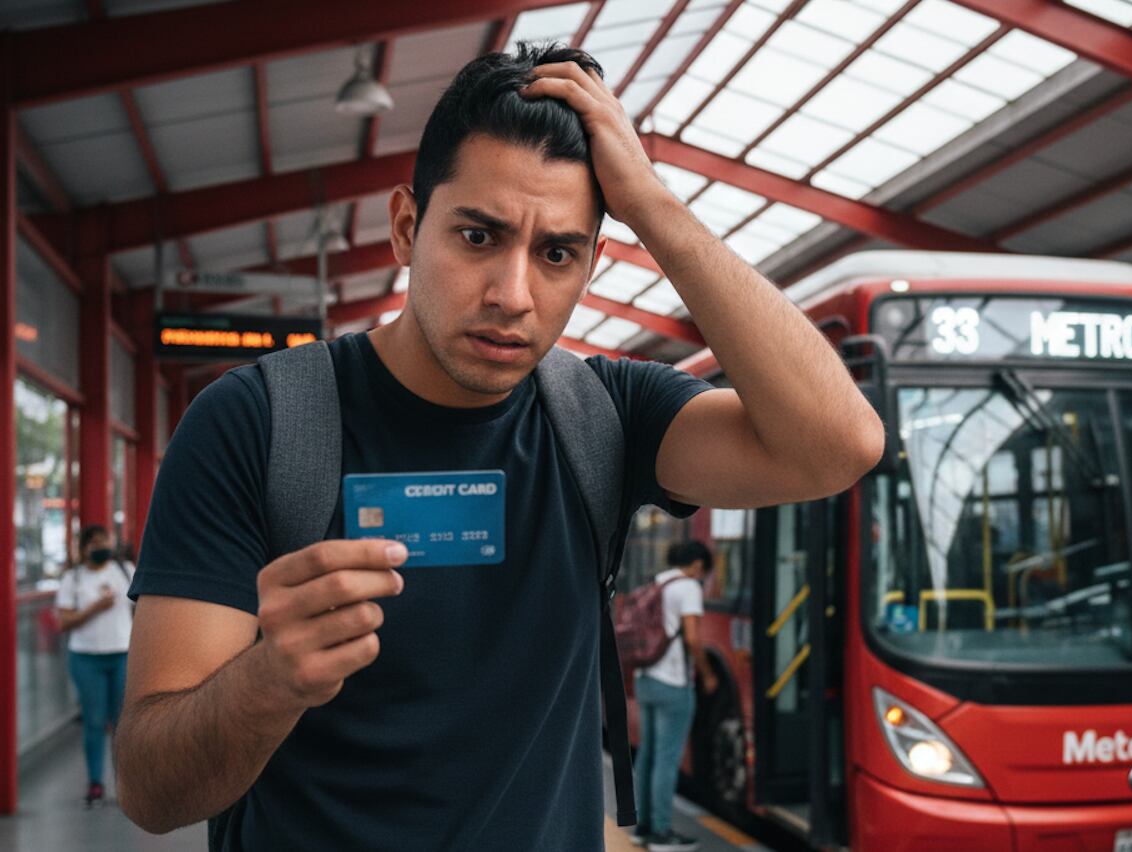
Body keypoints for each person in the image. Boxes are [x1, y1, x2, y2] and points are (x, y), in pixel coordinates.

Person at [115, 42, 883, 851]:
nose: (512, 296)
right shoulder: (258, 423)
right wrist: (268, 682)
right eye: (478, 237)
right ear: (408, 227)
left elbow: (838, 446)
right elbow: (151, 789)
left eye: (558, 253)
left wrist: (656, 207)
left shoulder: (607, 417)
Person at [632, 540, 718, 851]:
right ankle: (662, 833)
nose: (702, 576)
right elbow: (694, 639)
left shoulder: (658, 581)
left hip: (645, 678)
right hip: (672, 684)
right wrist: (707, 674)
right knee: (667, 759)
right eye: (704, 570)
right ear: (697, 564)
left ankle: (642, 826)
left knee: (646, 755)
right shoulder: (688, 588)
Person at [56, 524, 134, 808]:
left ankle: (126, 783)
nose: (102, 546)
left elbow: (141, 609)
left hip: (122, 654)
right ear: (85, 547)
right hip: (86, 657)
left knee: (122, 721)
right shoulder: (73, 578)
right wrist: (94, 608)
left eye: (106, 541)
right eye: (96, 542)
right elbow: (64, 622)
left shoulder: (125, 571)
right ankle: (96, 782)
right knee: (94, 720)